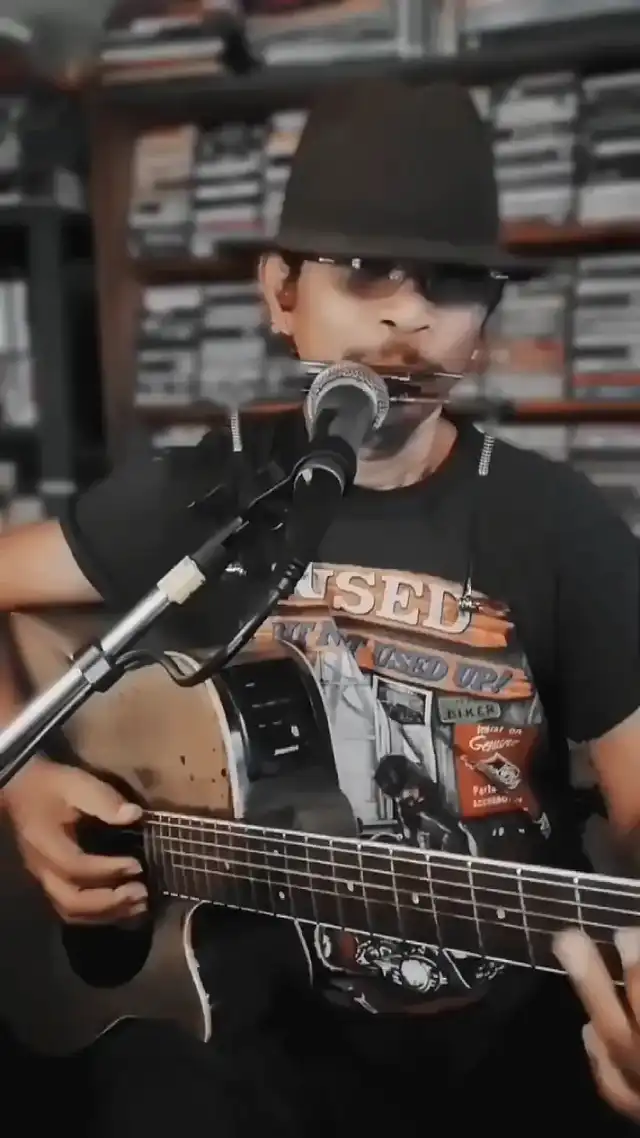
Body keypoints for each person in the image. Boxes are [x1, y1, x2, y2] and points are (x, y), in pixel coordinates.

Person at [1, 78, 640, 1133]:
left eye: (452, 284)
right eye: (363, 272)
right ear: (281, 293)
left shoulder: (557, 522)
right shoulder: (199, 491)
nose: (407, 316)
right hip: (234, 1044)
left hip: (495, 1061)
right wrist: (26, 787)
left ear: (483, 325)